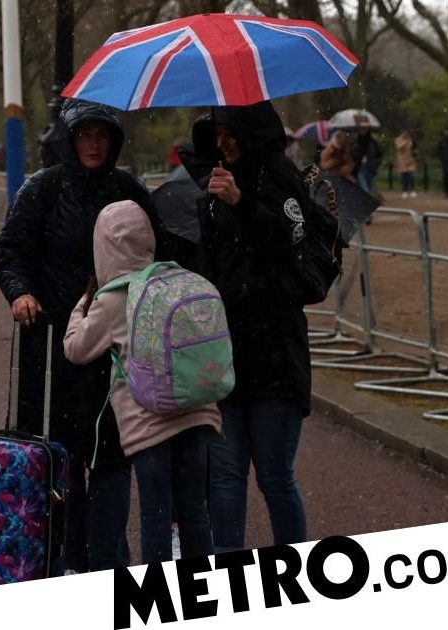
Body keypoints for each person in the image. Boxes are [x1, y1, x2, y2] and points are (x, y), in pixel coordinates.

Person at [0, 98, 181, 573]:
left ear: (113, 140)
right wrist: (20, 294)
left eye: (102, 135)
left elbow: (156, 249)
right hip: (55, 345)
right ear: (69, 139)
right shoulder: (44, 189)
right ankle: (58, 555)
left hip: (116, 344)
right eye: (84, 135)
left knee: (111, 456)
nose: (93, 144)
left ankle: (107, 560)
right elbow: (12, 252)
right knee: (59, 456)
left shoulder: (128, 189)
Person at [179, 101, 312, 553]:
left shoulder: (280, 175)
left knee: (275, 476)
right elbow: (210, 262)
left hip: (276, 352)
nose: (223, 143)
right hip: (225, 354)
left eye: (231, 133)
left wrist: (242, 202)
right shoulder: (212, 183)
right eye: (217, 134)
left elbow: (288, 240)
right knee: (227, 478)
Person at [63, 200, 221, 564]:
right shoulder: (176, 279)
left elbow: (76, 348)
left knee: (156, 513)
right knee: (195, 509)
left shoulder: (114, 298)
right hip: (198, 411)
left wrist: (81, 305)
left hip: (148, 422)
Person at [353, 123, 382, 194]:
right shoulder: (356, 142)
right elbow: (354, 154)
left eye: (364, 129)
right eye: (361, 129)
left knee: (369, 187)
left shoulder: (372, 142)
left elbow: (378, 154)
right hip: (360, 167)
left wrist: (376, 164)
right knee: (365, 189)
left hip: (370, 167)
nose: (362, 131)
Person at [395, 130, 418, 199]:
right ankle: (404, 191)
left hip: (410, 161)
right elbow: (399, 147)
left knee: (411, 176)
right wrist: (405, 141)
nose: (406, 134)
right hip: (402, 161)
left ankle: (412, 190)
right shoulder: (398, 139)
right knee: (404, 177)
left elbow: (412, 148)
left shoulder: (410, 139)